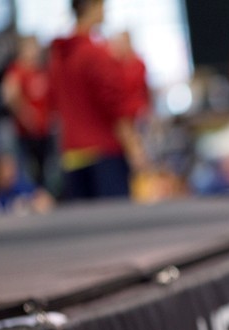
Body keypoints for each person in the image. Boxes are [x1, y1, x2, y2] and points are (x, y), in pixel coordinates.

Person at [49, 0, 146, 200]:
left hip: (72, 155)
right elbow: (115, 106)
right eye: (102, 5)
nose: (105, 11)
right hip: (104, 155)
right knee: (117, 225)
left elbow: (54, 102)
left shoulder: (59, 57)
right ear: (91, 7)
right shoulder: (96, 54)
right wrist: (135, 149)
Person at [1, 36, 53, 190]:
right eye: (31, 47)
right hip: (25, 133)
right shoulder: (17, 70)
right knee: (27, 169)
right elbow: (9, 95)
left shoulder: (41, 71)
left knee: (46, 169)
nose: (34, 52)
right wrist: (25, 115)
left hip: (44, 130)